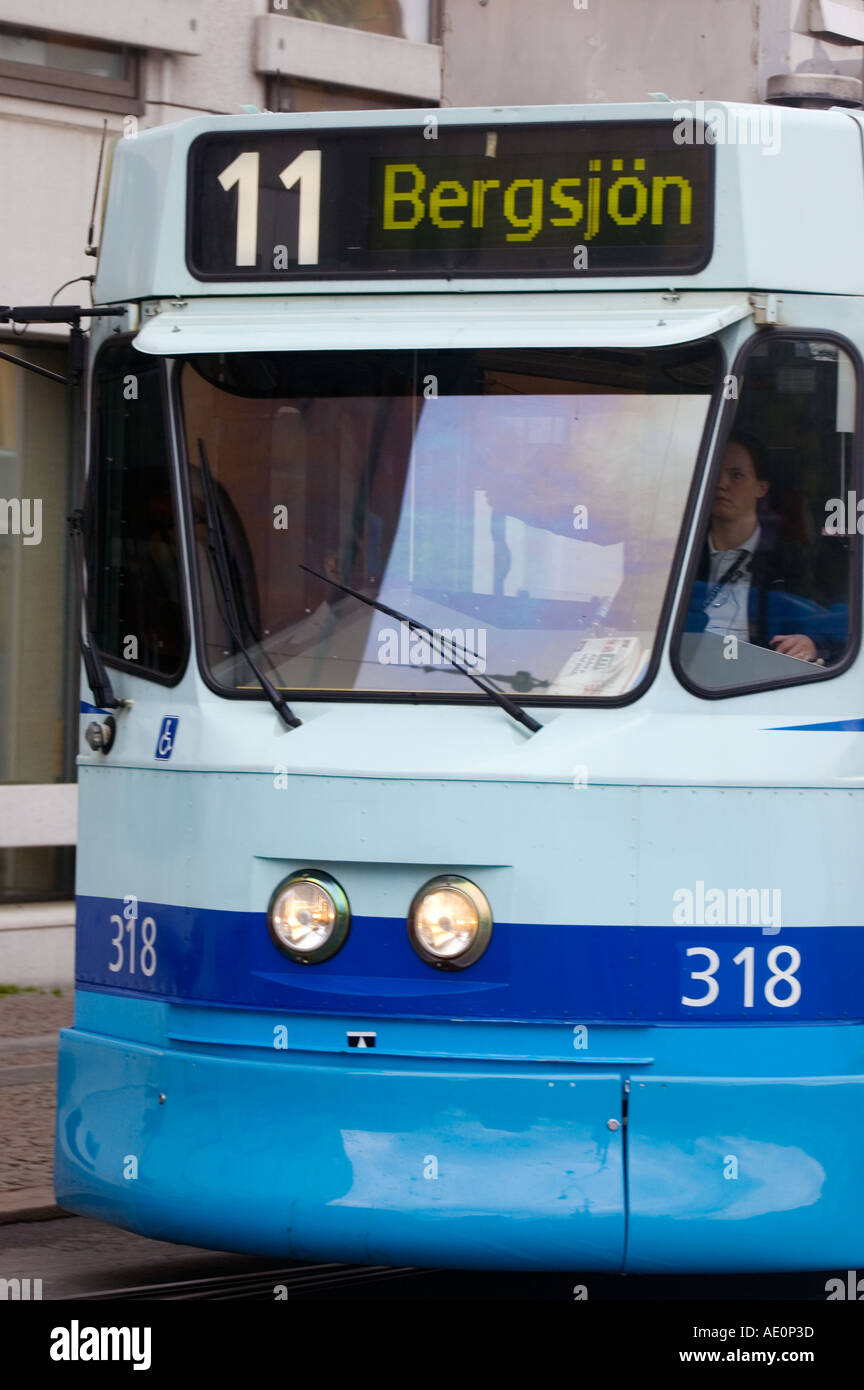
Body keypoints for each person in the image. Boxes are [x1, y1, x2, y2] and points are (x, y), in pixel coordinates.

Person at [687, 433, 830, 662]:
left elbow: (828, 621)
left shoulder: (790, 557)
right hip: (685, 673)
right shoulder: (678, 554)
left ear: (761, 488)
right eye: (714, 472)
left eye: (736, 475)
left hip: (762, 682)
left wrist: (812, 642)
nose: (721, 484)